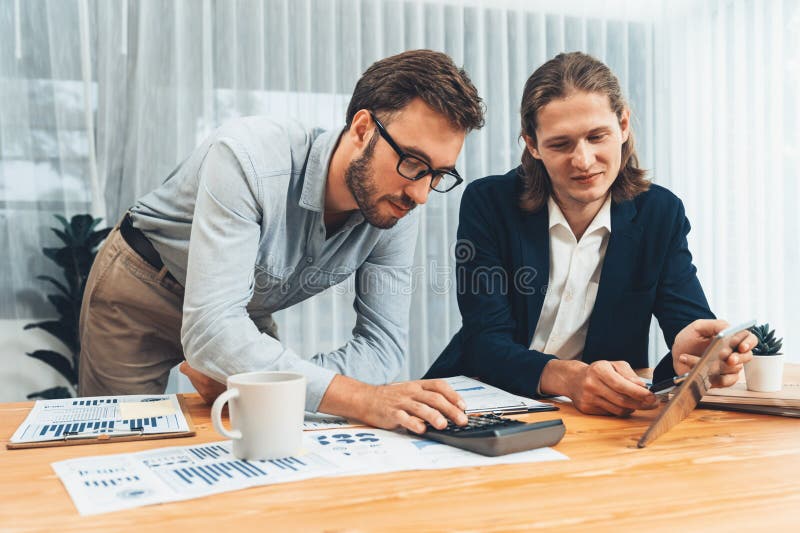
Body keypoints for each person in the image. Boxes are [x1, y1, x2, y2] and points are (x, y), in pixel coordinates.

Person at [79, 49, 486, 433]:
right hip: (142, 289)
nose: (421, 195)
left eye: (438, 175)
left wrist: (270, 388)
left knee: (268, 438)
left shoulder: (396, 205)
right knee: (118, 442)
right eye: (412, 163)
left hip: (244, 312)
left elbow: (382, 347)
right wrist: (360, 398)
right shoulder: (249, 157)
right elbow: (212, 329)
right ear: (362, 129)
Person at [425, 51, 755, 416]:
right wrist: (567, 378)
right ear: (532, 145)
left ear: (623, 125)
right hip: (481, 402)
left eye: (597, 136)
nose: (583, 160)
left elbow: (689, 331)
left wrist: (693, 356)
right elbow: (485, 341)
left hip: (599, 417)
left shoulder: (660, 213)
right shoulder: (489, 203)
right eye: (560, 144)